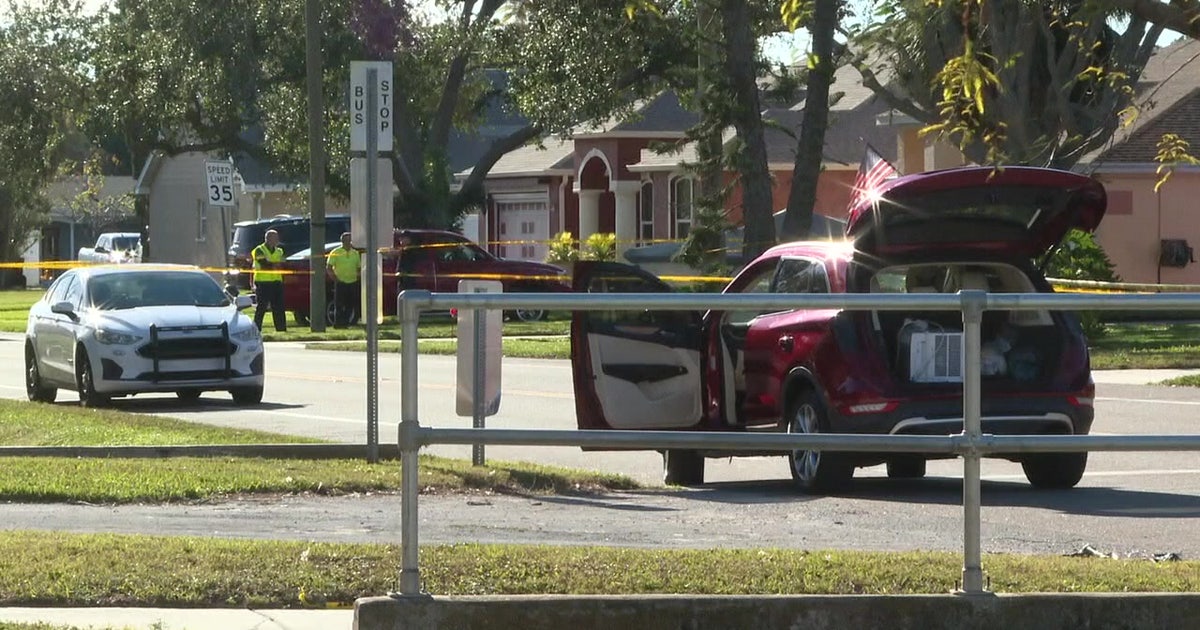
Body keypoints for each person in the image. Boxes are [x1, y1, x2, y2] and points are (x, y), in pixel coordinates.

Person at [252, 229, 286, 332]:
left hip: (276, 282)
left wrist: (273, 264)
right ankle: (256, 329)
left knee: (279, 307)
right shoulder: (259, 250)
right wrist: (275, 264)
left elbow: (283, 264)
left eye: (277, 238)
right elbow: (264, 264)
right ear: (267, 239)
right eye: (275, 238)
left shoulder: (279, 251)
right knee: (261, 307)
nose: (277, 240)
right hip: (263, 282)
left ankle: (281, 330)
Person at [326, 232, 361, 327]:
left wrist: (357, 277)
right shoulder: (335, 252)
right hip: (340, 282)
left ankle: (346, 322)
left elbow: (358, 267)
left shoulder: (355, 253)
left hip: (352, 282)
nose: (348, 242)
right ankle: (338, 323)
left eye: (350, 240)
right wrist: (335, 279)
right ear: (342, 241)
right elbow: (329, 267)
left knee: (350, 304)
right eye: (346, 240)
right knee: (339, 304)